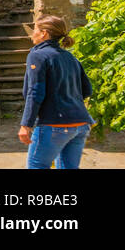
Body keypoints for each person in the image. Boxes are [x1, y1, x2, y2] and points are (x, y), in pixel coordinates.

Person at [18, 14, 95, 169]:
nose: (32, 33)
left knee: (37, 166)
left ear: (44, 33)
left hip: (55, 124)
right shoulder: (70, 57)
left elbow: (35, 92)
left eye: (35, 29)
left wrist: (26, 124)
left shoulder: (37, 55)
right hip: (80, 124)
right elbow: (87, 90)